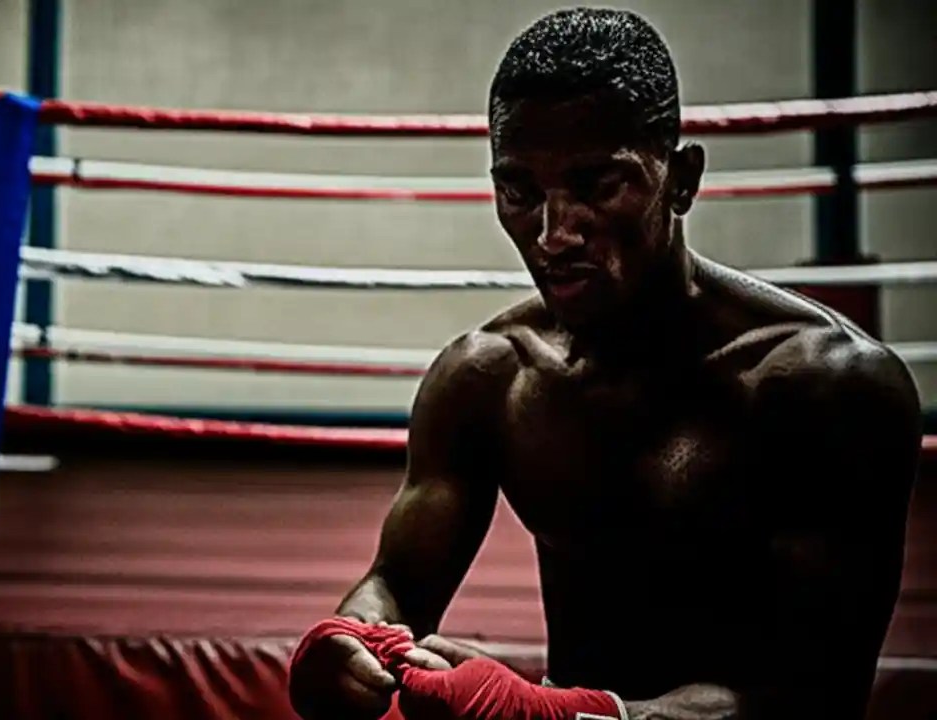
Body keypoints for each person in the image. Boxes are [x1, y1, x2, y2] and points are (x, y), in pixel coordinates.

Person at [287, 7, 922, 720]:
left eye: (598, 185)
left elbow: (814, 698)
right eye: (520, 192)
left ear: (680, 181)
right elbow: (397, 583)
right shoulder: (490, 378)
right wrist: (347, 640)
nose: (554, 234)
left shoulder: (827, 387)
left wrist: (564, 716)